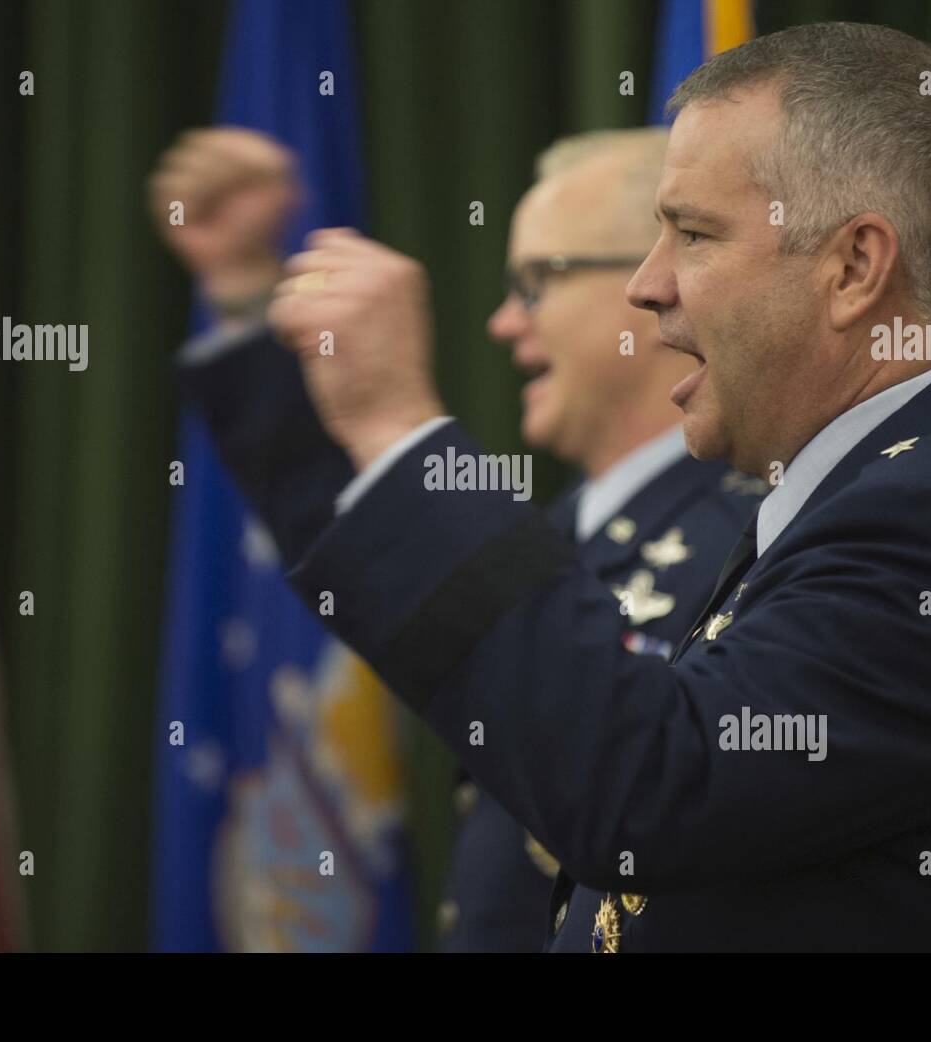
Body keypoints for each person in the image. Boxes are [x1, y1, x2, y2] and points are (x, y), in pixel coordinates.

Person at [248, 21, 931, 952]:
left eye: (695, 234)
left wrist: (399, 432)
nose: (647, 283)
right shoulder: (873, 500)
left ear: (854, 267)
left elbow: (648, 787)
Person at [150, 126, 763, 951]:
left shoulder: (753, 539)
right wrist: (251, 298)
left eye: (536, 281)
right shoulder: (558, 526)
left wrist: (397, 412)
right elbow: (369, 543)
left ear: (657, 284)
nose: (505, 322)